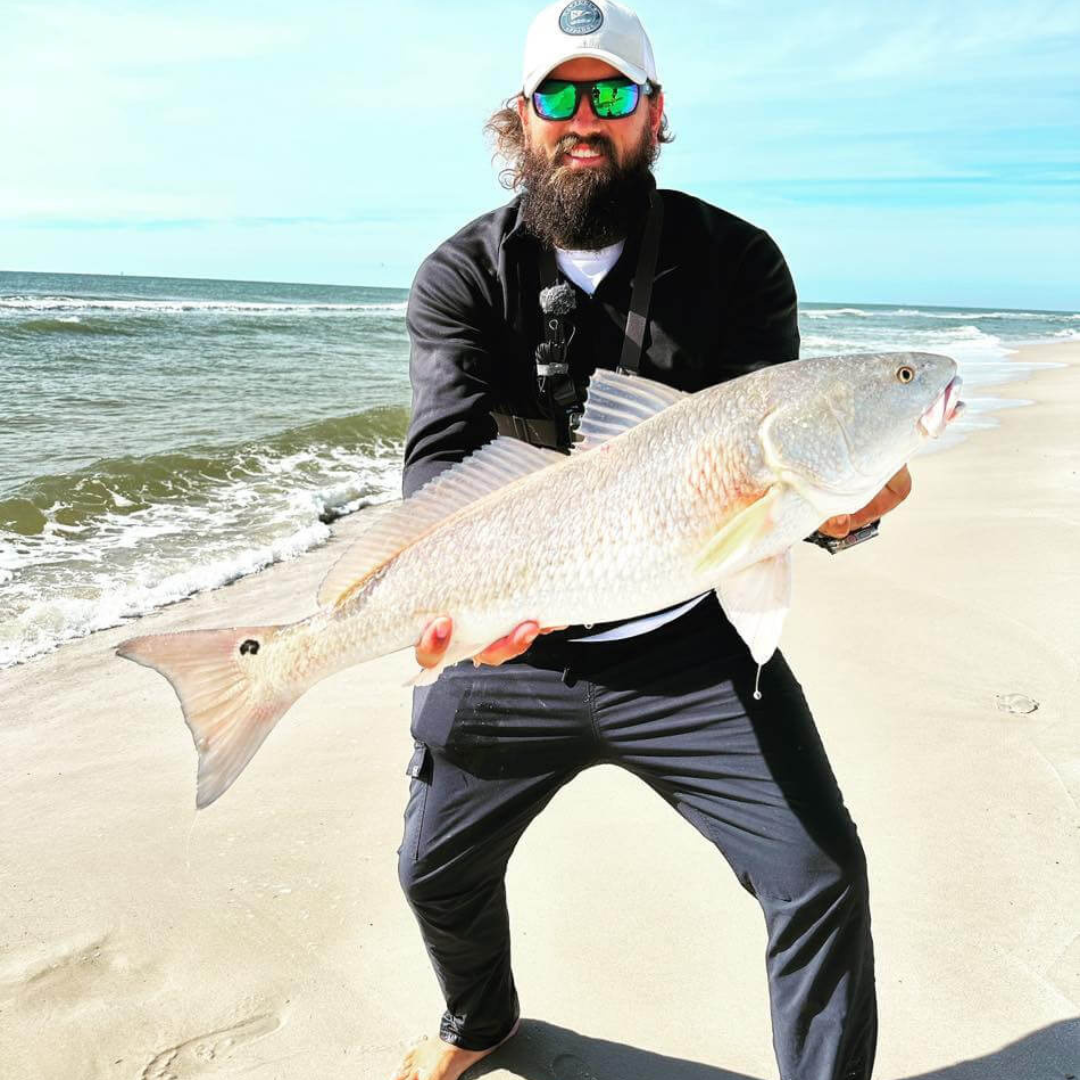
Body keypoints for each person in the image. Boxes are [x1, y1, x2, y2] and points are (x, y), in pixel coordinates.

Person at [391, 3, 909, 1078]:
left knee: (820, 876)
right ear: (521, 120)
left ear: (655, 113)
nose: (588, 118)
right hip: (516, 646)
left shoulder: (740, 263)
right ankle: (480, 1021)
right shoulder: (461, 275)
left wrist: (844, 519)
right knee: (431, 870)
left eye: (615, 93)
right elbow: (439, 466)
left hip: (690, 641)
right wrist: (460, 606)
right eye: (561, 95)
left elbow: (783, 470)